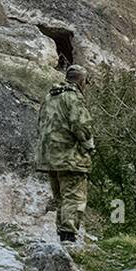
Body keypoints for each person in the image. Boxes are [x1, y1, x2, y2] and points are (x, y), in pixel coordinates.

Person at [37, 64, 95, 243]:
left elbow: (41, 123)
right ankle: (68, 238)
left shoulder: (49, 97)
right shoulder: (73, 97)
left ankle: (61, 237)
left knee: (61, 198)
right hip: (70, 157)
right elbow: (81, 125)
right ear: (81, 80)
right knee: (73, 197)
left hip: (49, 157)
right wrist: (89, 146)